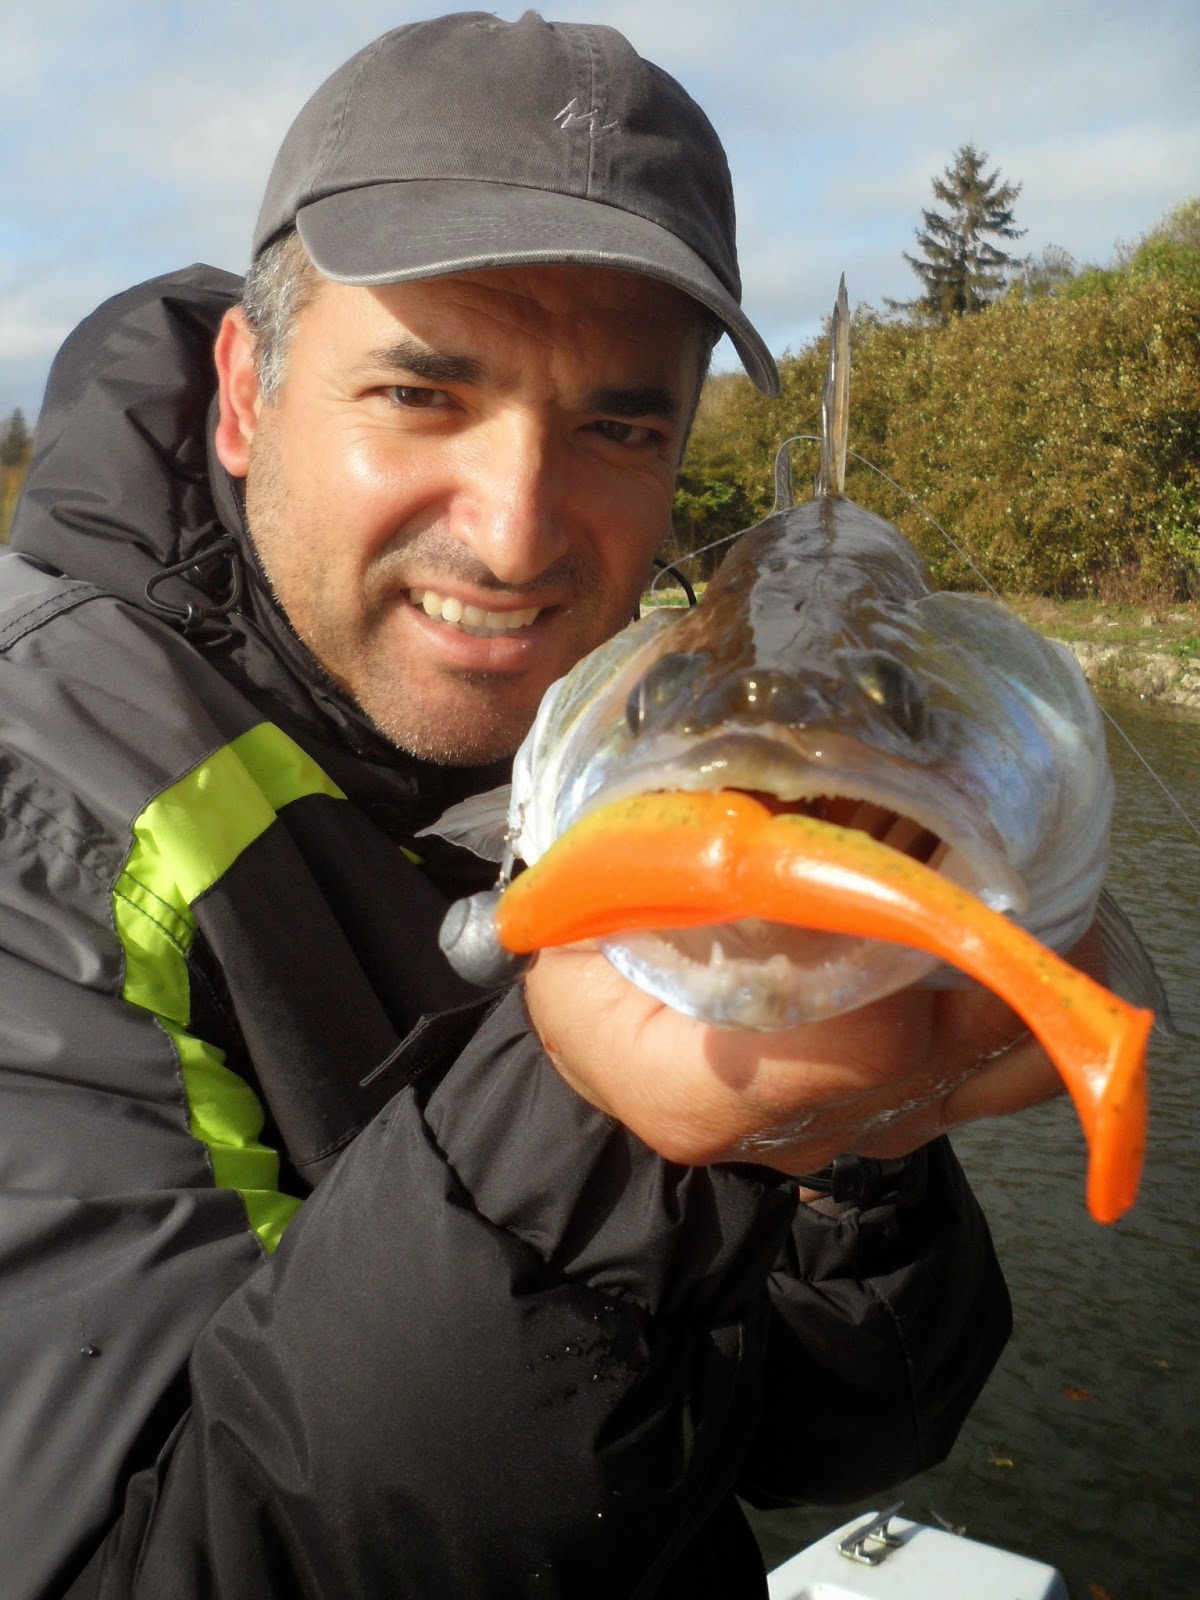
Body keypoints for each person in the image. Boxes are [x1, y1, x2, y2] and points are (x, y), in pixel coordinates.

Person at [0, 13, 1071, 1598]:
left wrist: (843, 1123)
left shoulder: (622, 731)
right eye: (424, 397)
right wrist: (599, 1117)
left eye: (620, 426)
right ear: (245, 394)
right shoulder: (40, 818)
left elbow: (831, 1440)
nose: (513, 537)